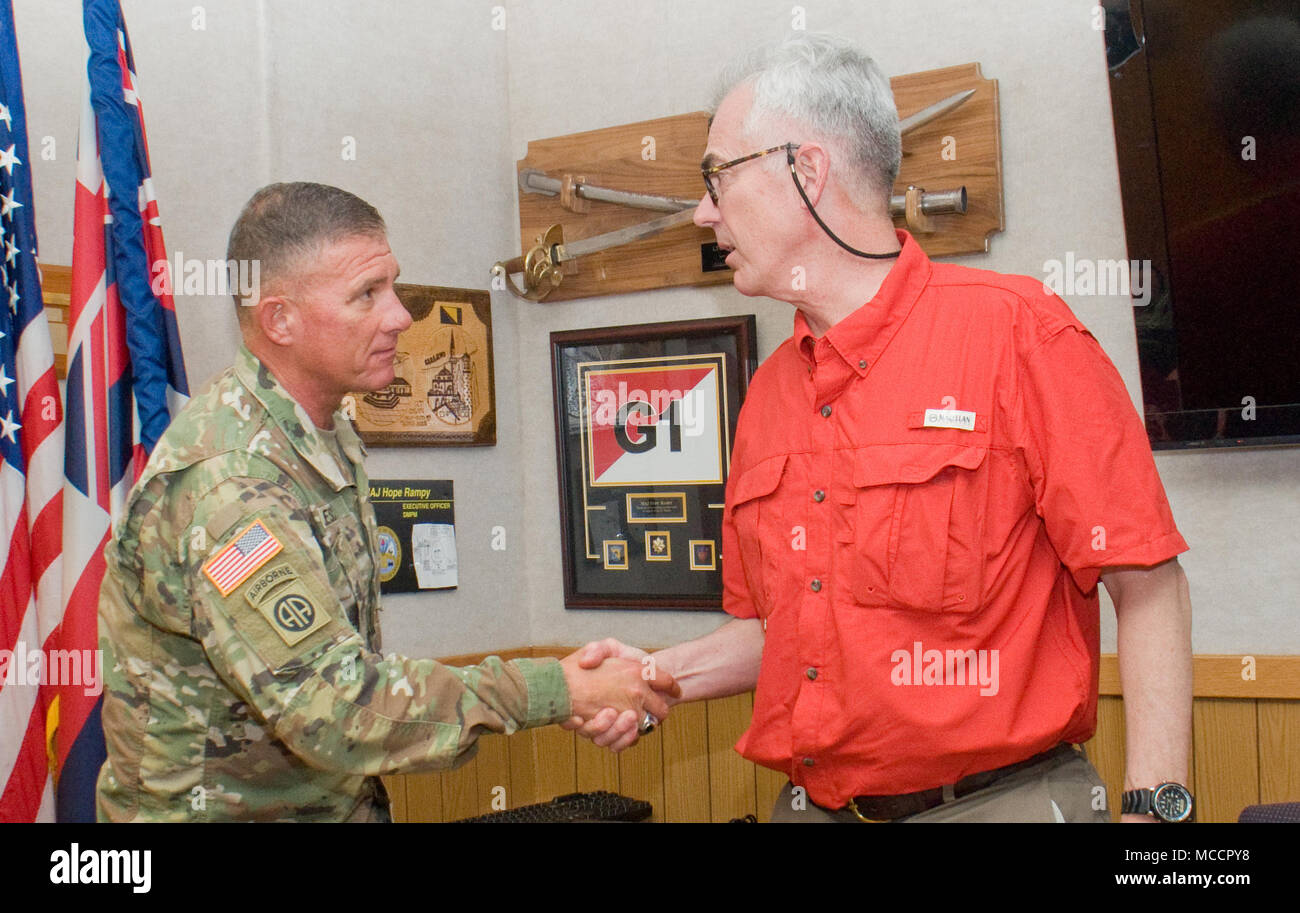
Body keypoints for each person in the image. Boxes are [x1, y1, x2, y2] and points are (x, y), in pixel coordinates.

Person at [567, 35, 1193, 823]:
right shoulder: (768, 394)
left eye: (717, 177)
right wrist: (655, 676)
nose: (703, 212)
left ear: (807, 170)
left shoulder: (1020, 335)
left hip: (1002, 804)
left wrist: (1157, 816)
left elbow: (1149, 584)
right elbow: (785, 633)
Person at [96, 182, 678, 822]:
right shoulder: (231, 482)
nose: (401, 315)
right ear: (279, 319)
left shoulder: (321, 434)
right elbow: (333, 706)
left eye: (392, 287)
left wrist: (571, 690)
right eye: (366, 294)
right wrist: (556, 689)